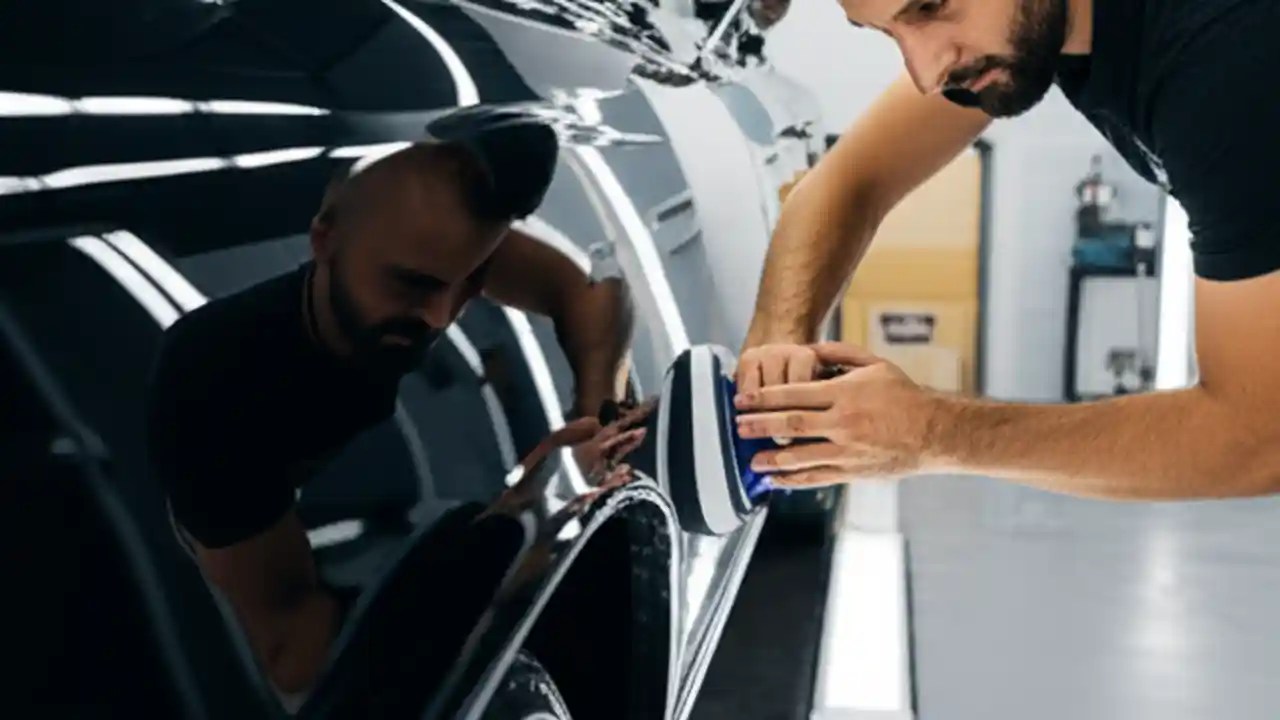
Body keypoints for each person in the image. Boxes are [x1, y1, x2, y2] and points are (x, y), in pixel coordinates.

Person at [143, 119, 644, 699]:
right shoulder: (216, 380)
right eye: (413, 285)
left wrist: (597, 414)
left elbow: (589, 288)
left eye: (470, 281)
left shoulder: (426, 249)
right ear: (323, 239)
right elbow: (292, 655)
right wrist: (510, 553)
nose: (441, 315)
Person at [734, 0, 1280, 500]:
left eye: (931, 7)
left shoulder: (1228, 57)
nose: (926, 72)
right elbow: (850, 182)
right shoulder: (1043, 29)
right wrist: (776, 367)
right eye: (886, 33)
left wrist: (933, 433)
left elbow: (1258, 438)